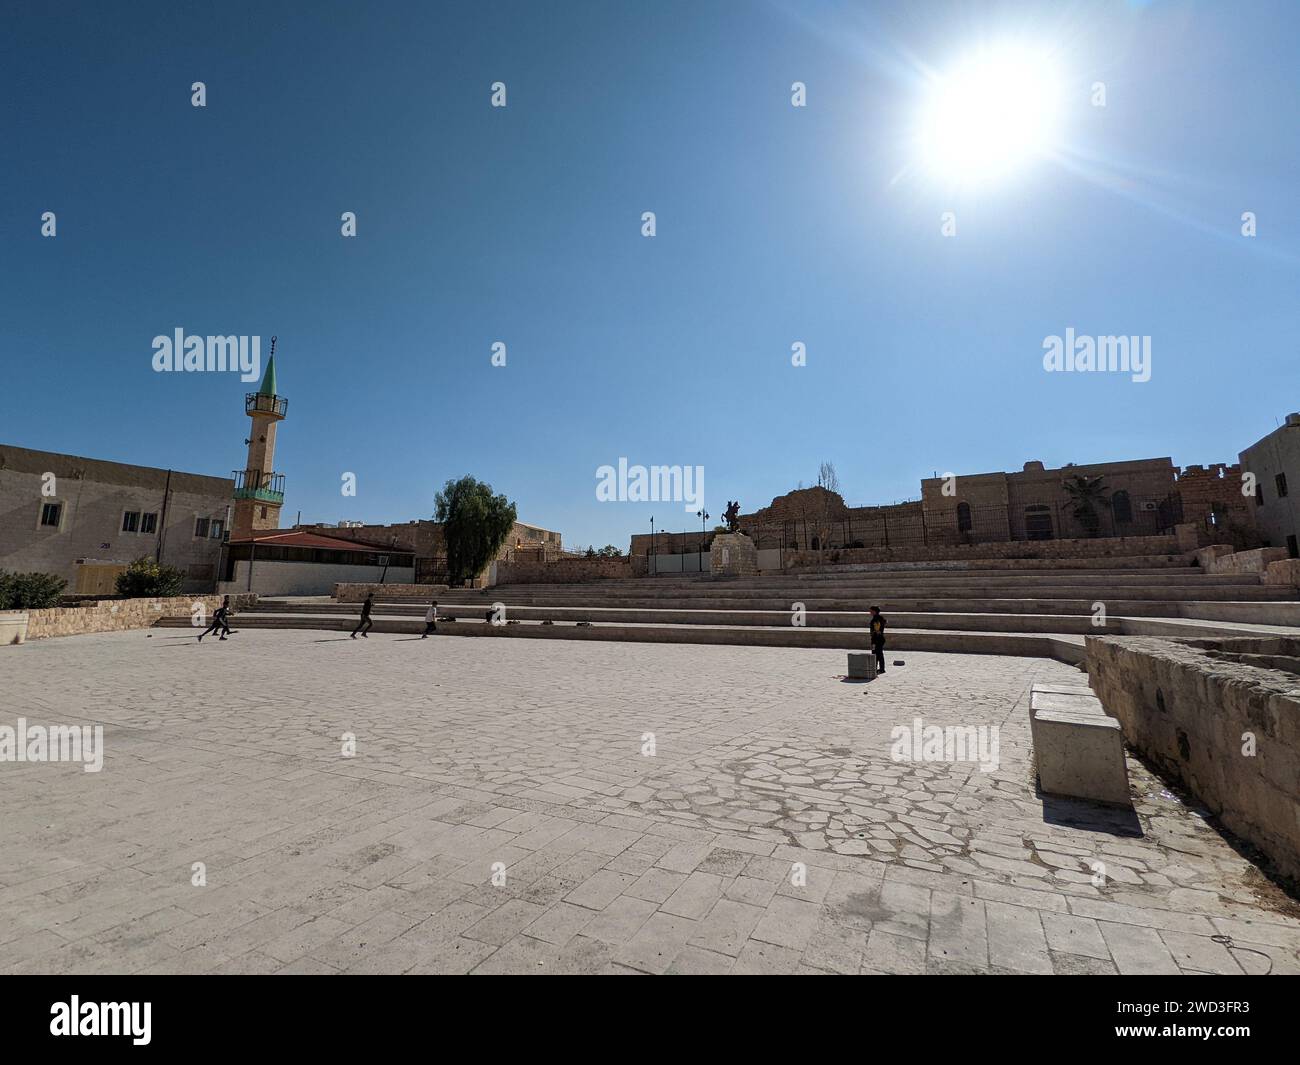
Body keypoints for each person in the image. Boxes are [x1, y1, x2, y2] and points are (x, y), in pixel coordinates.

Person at [868, 605, 886, 674]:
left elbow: (878, 629)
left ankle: (881, 669)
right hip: (876, 639)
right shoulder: (877, 618)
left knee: (878, 654)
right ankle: (876, 668)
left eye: (871, 611)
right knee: (876, 653)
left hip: (878, 639)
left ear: (875, 611)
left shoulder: (877, 619)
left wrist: (875, 632)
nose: (870, 612)